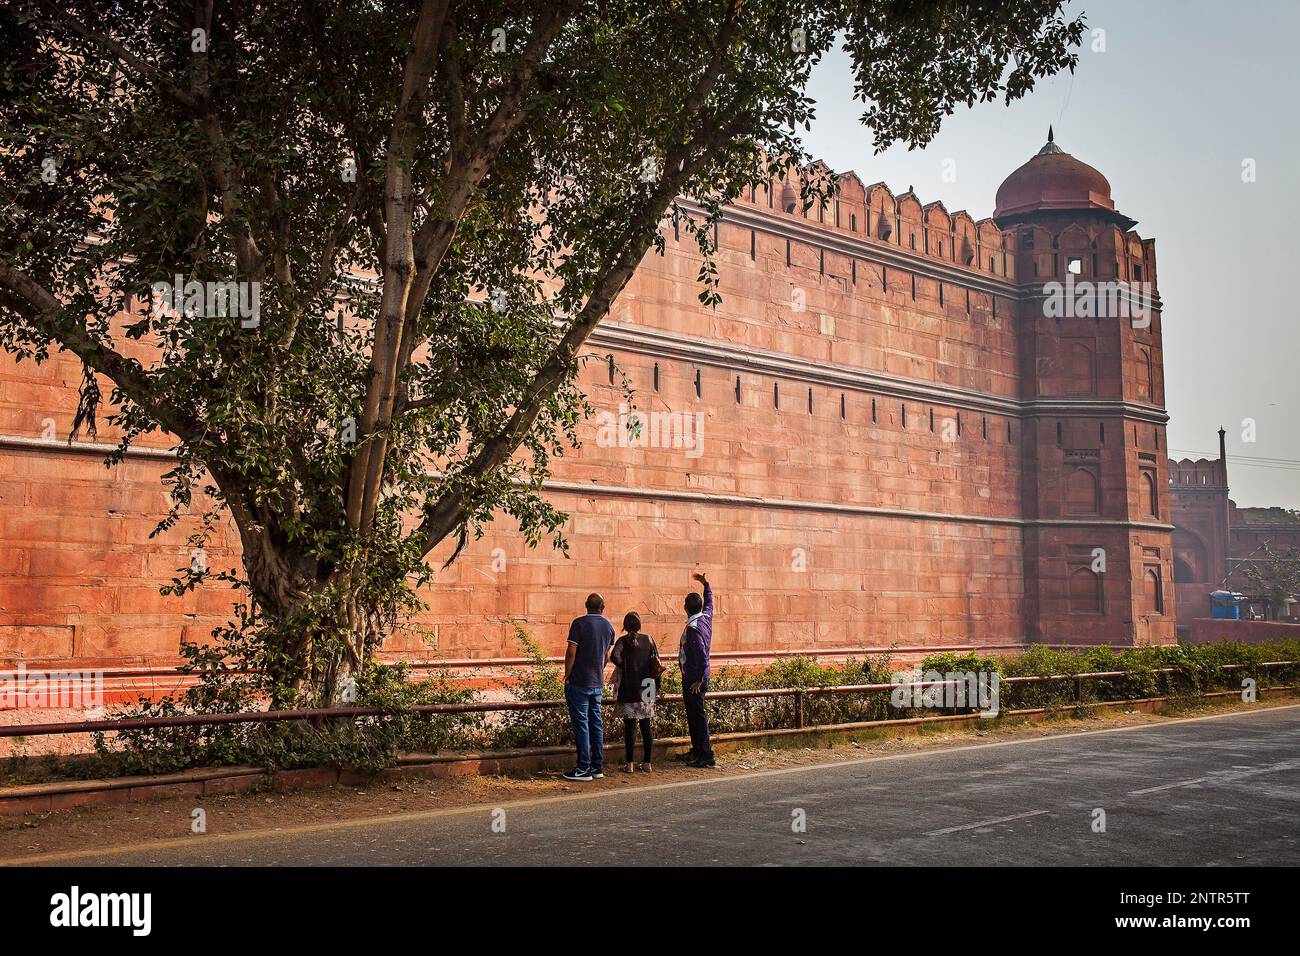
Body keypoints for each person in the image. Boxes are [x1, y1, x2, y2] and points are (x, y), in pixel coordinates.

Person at [562, 592, 615, 781]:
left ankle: (583, 768)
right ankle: (597, 766)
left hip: (579, 681)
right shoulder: (609, 627)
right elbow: (606, 656)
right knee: (596, 724)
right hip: (596, 682)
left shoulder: (579, 623)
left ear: (586, 605)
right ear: (603, 607)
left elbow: (571, 653)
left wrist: (567, 675)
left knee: (582, 725)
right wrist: (598, 671)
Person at [609, 612, 662, 773]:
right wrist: (657, 686)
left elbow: (613, 656)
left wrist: (625, 666)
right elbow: (657, 664)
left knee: (630, 727)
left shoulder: (622, 641)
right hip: (647, 686)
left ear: (625, 626)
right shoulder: (649, 639)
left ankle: (630, 764)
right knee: (646, 726)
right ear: (640, 625)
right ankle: (647, 763)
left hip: (629, 686)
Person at [676, 571, 715, 768]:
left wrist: (698, 679)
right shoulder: (705, 617)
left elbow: (700, 654)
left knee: (697, 715)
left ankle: (706, 754)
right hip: (696, 675)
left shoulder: (694, 628)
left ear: (686, 608)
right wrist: (705, 583)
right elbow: (709, 601)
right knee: (694, 714)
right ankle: (698, 749)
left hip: (694, 679)